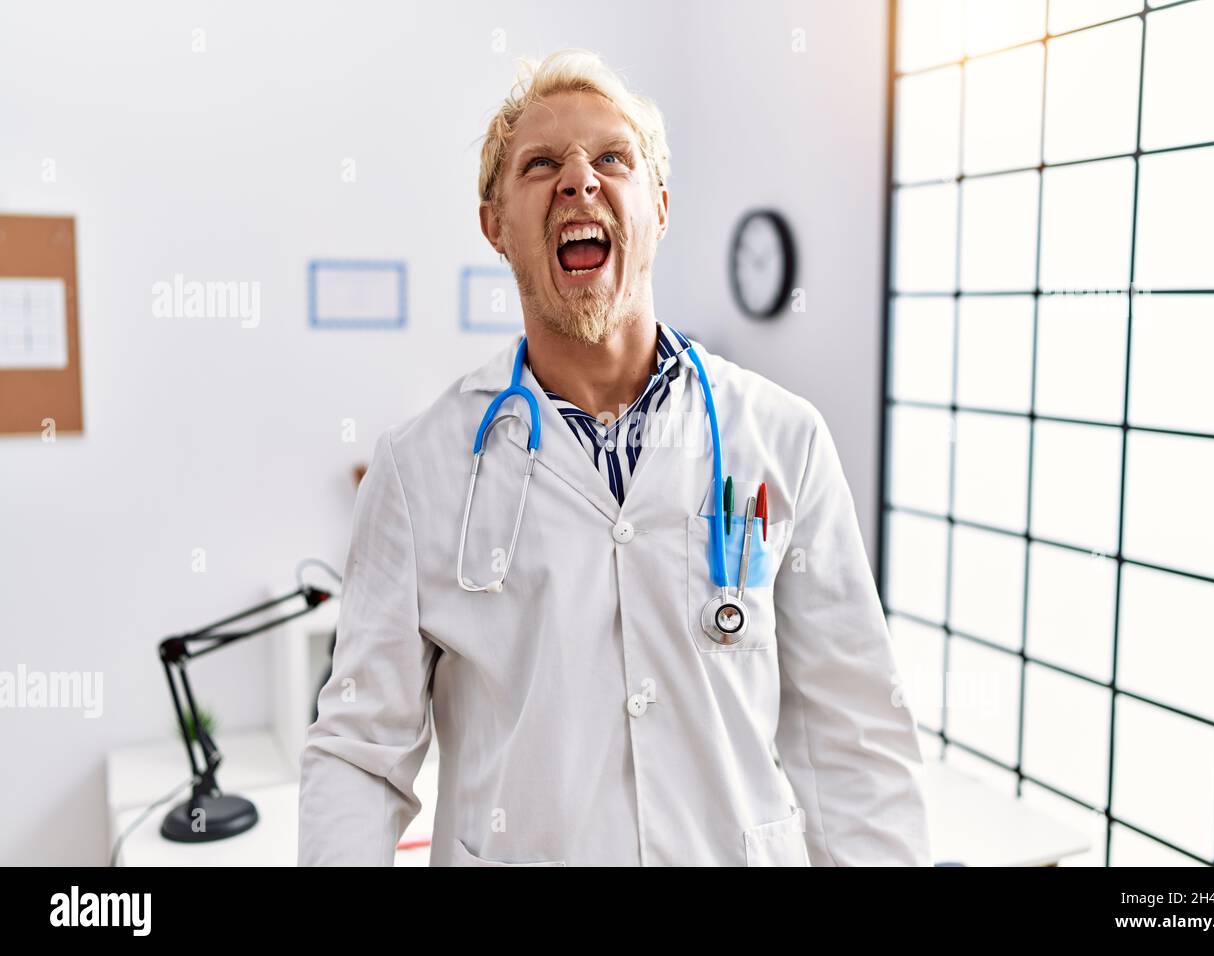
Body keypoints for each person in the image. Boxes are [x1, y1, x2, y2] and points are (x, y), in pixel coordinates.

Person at [297, 48, 931, 867]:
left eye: (610, 158)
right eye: (540, 165)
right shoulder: (420, 469)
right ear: (494, 225)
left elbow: (855, 736)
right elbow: (358, 752)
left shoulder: (784, 439)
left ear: (658, 208)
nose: (578, 180)